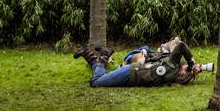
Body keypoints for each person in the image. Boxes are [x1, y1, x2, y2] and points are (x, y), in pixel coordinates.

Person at [75, 37, 211, 87]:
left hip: (132, 75)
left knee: (97, 81)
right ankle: (101, 55)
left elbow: (183, 81)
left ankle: (94, 56)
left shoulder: (175, 77)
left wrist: (192, 72)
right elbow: (180, 45)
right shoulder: (173, 63)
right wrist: (192, 62)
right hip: (132, 71)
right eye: (187, 67)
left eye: (188, 71)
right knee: (97, 81)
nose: (188, 68)